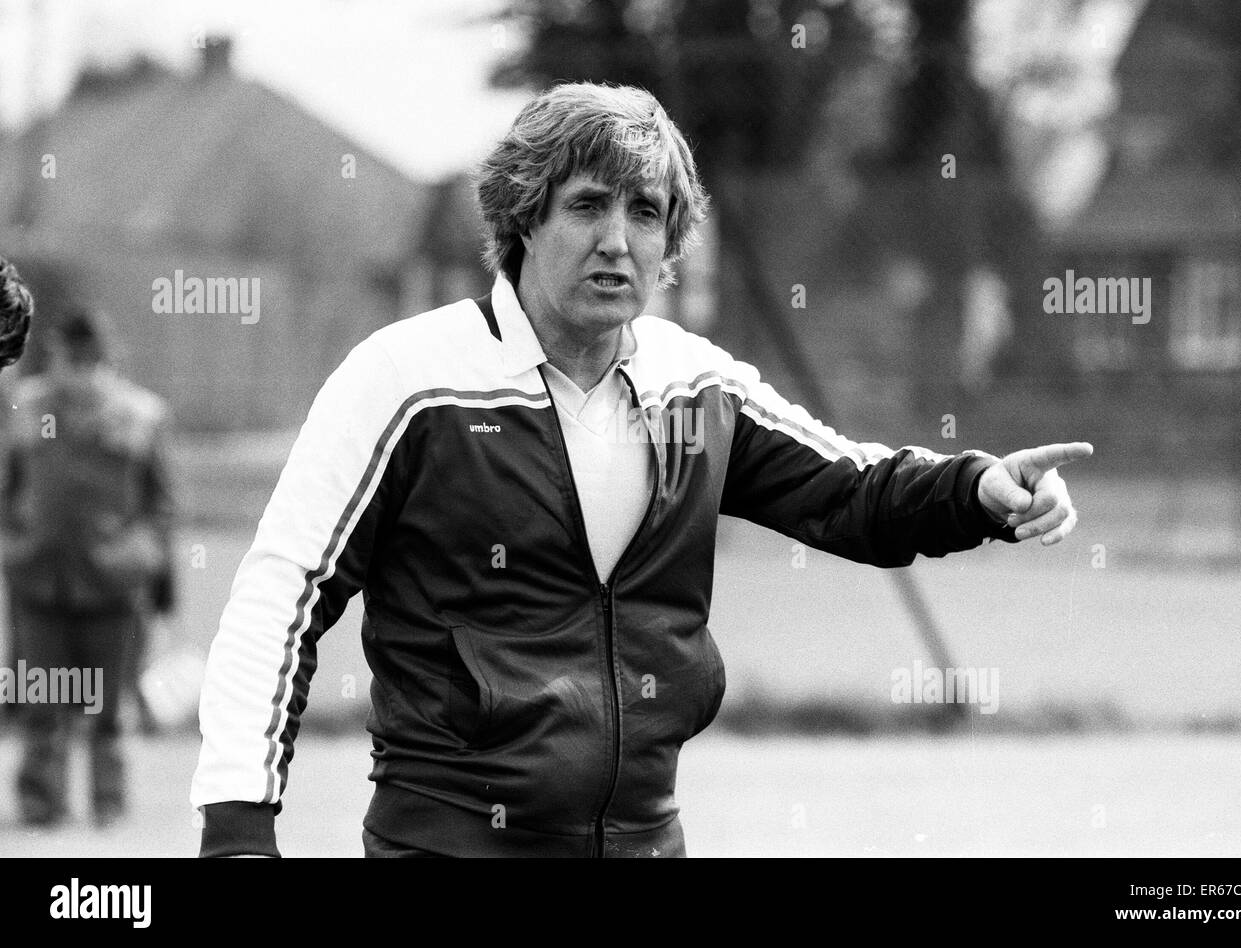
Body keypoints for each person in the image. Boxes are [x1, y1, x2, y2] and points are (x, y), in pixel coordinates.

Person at [191, 82, 1092, 858]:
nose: (618, 241)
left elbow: (852, 491)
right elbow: (282, 597)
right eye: (588, 206)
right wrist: (238, 828)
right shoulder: (406, 380)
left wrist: (978, 488)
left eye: (646, 213)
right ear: (524, 218)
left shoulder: (696, 386)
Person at [2, 300, 176, 827]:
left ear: (107, 360)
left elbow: (161, 507)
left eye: (89, 361)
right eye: (69, 360)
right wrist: (12, 546)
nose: (79, 373)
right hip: (39, 579)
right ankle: (40, 805)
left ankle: (109, 804)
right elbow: (6, 488)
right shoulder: (24, 410)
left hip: (114, 585)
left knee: (108, 708)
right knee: (41, 700)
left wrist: (145, 565)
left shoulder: (143, 416)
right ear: (54, 358)